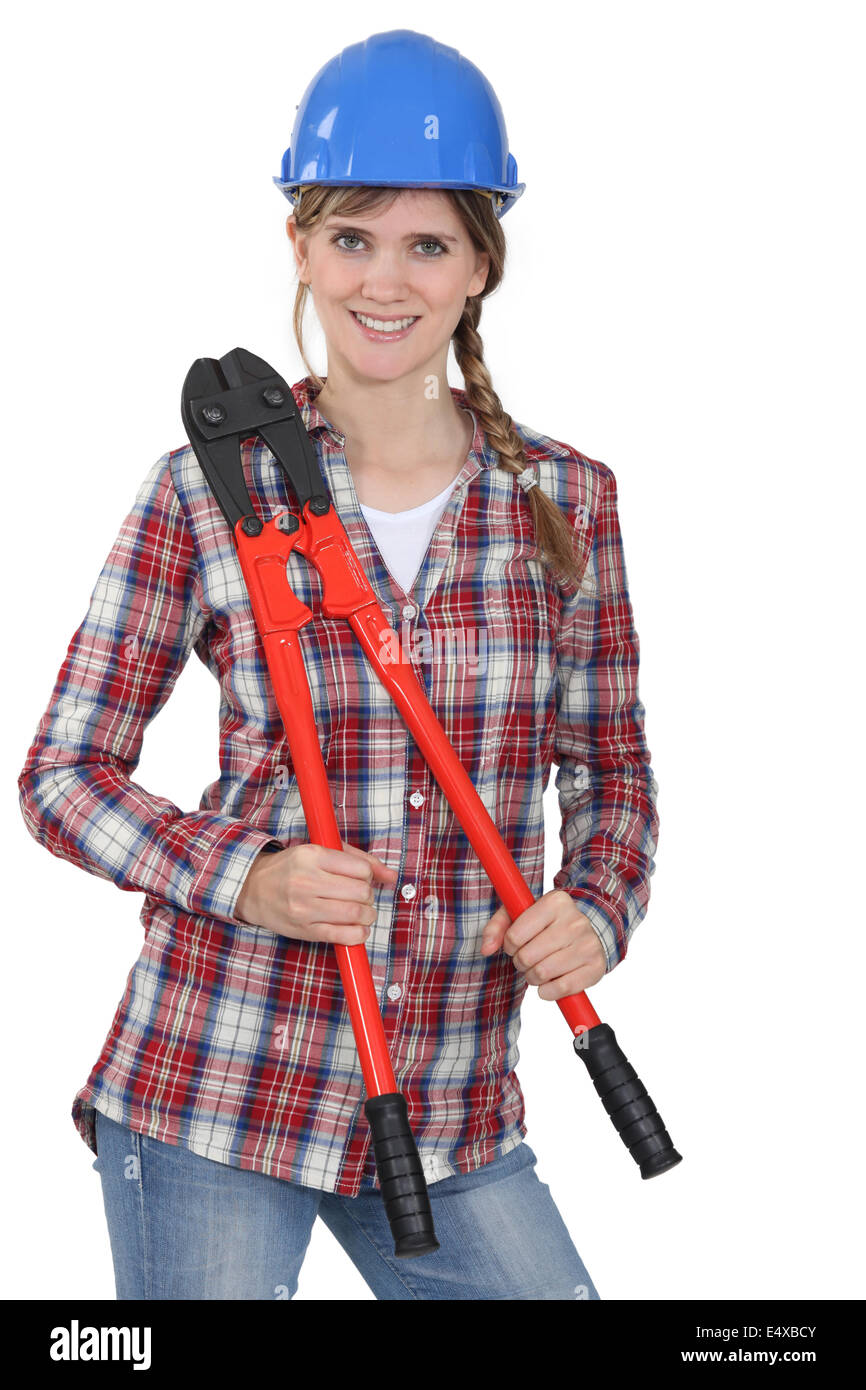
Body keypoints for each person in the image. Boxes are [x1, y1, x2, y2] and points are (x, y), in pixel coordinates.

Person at [18, 28, 659, 1301]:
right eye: (352, 237)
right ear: (301, 245)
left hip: (450, 1106)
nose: (387, 280)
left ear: (480, 264)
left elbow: (613, 770)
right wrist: (244, 876)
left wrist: (597, 905)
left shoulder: (565, 501)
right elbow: (62, 774)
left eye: (427, 243)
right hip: (217, 1084)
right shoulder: (206, 490)